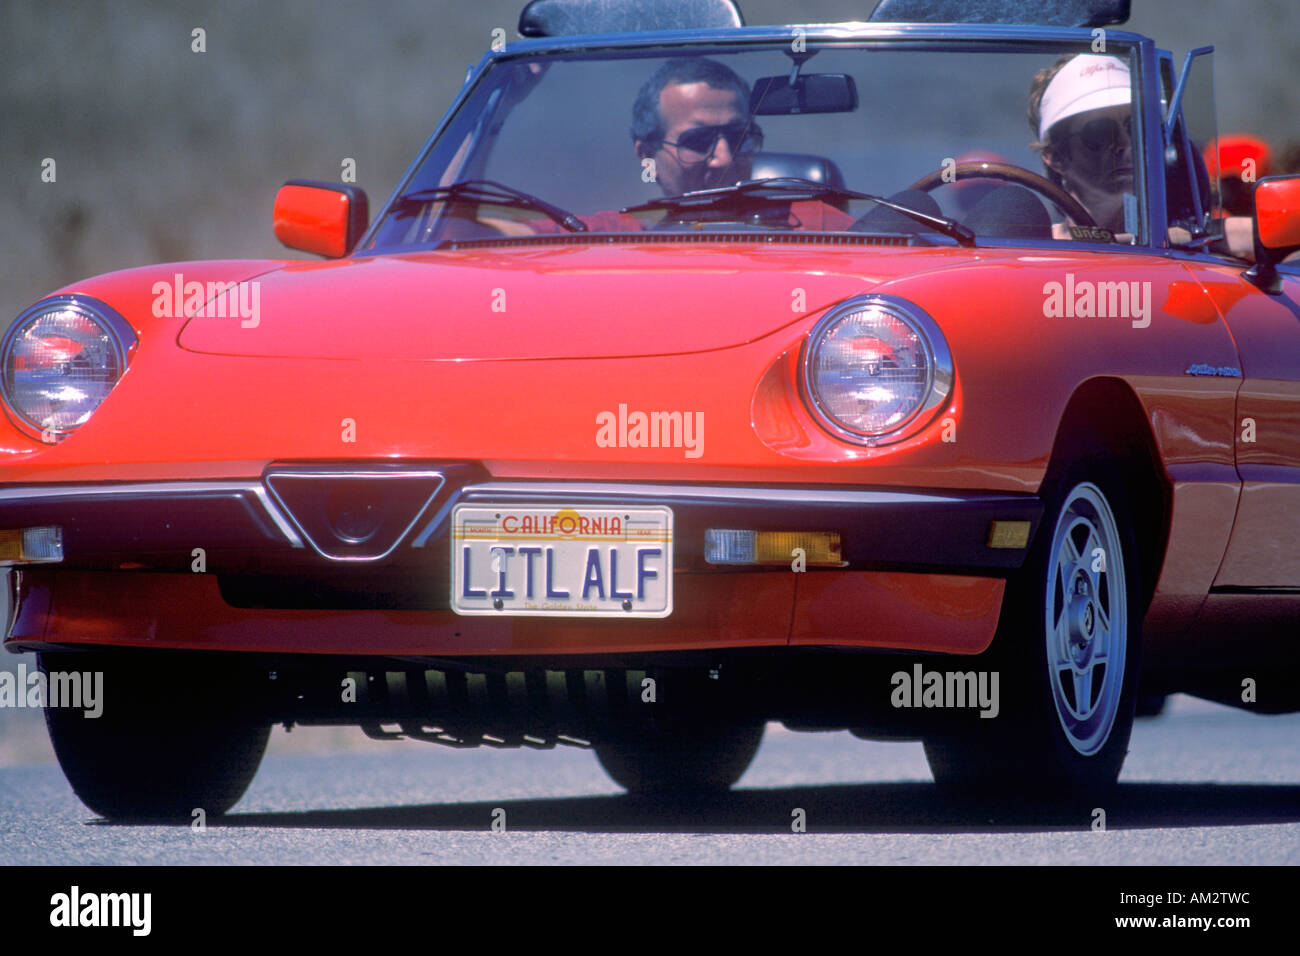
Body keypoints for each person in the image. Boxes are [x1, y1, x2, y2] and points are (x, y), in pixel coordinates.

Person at [1027, 53, 1135, 236]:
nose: (1125, 143)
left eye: (1135, 127)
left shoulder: (1189, 245)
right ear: (1056, 157)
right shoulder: (1035, 252)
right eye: (1101, 131)